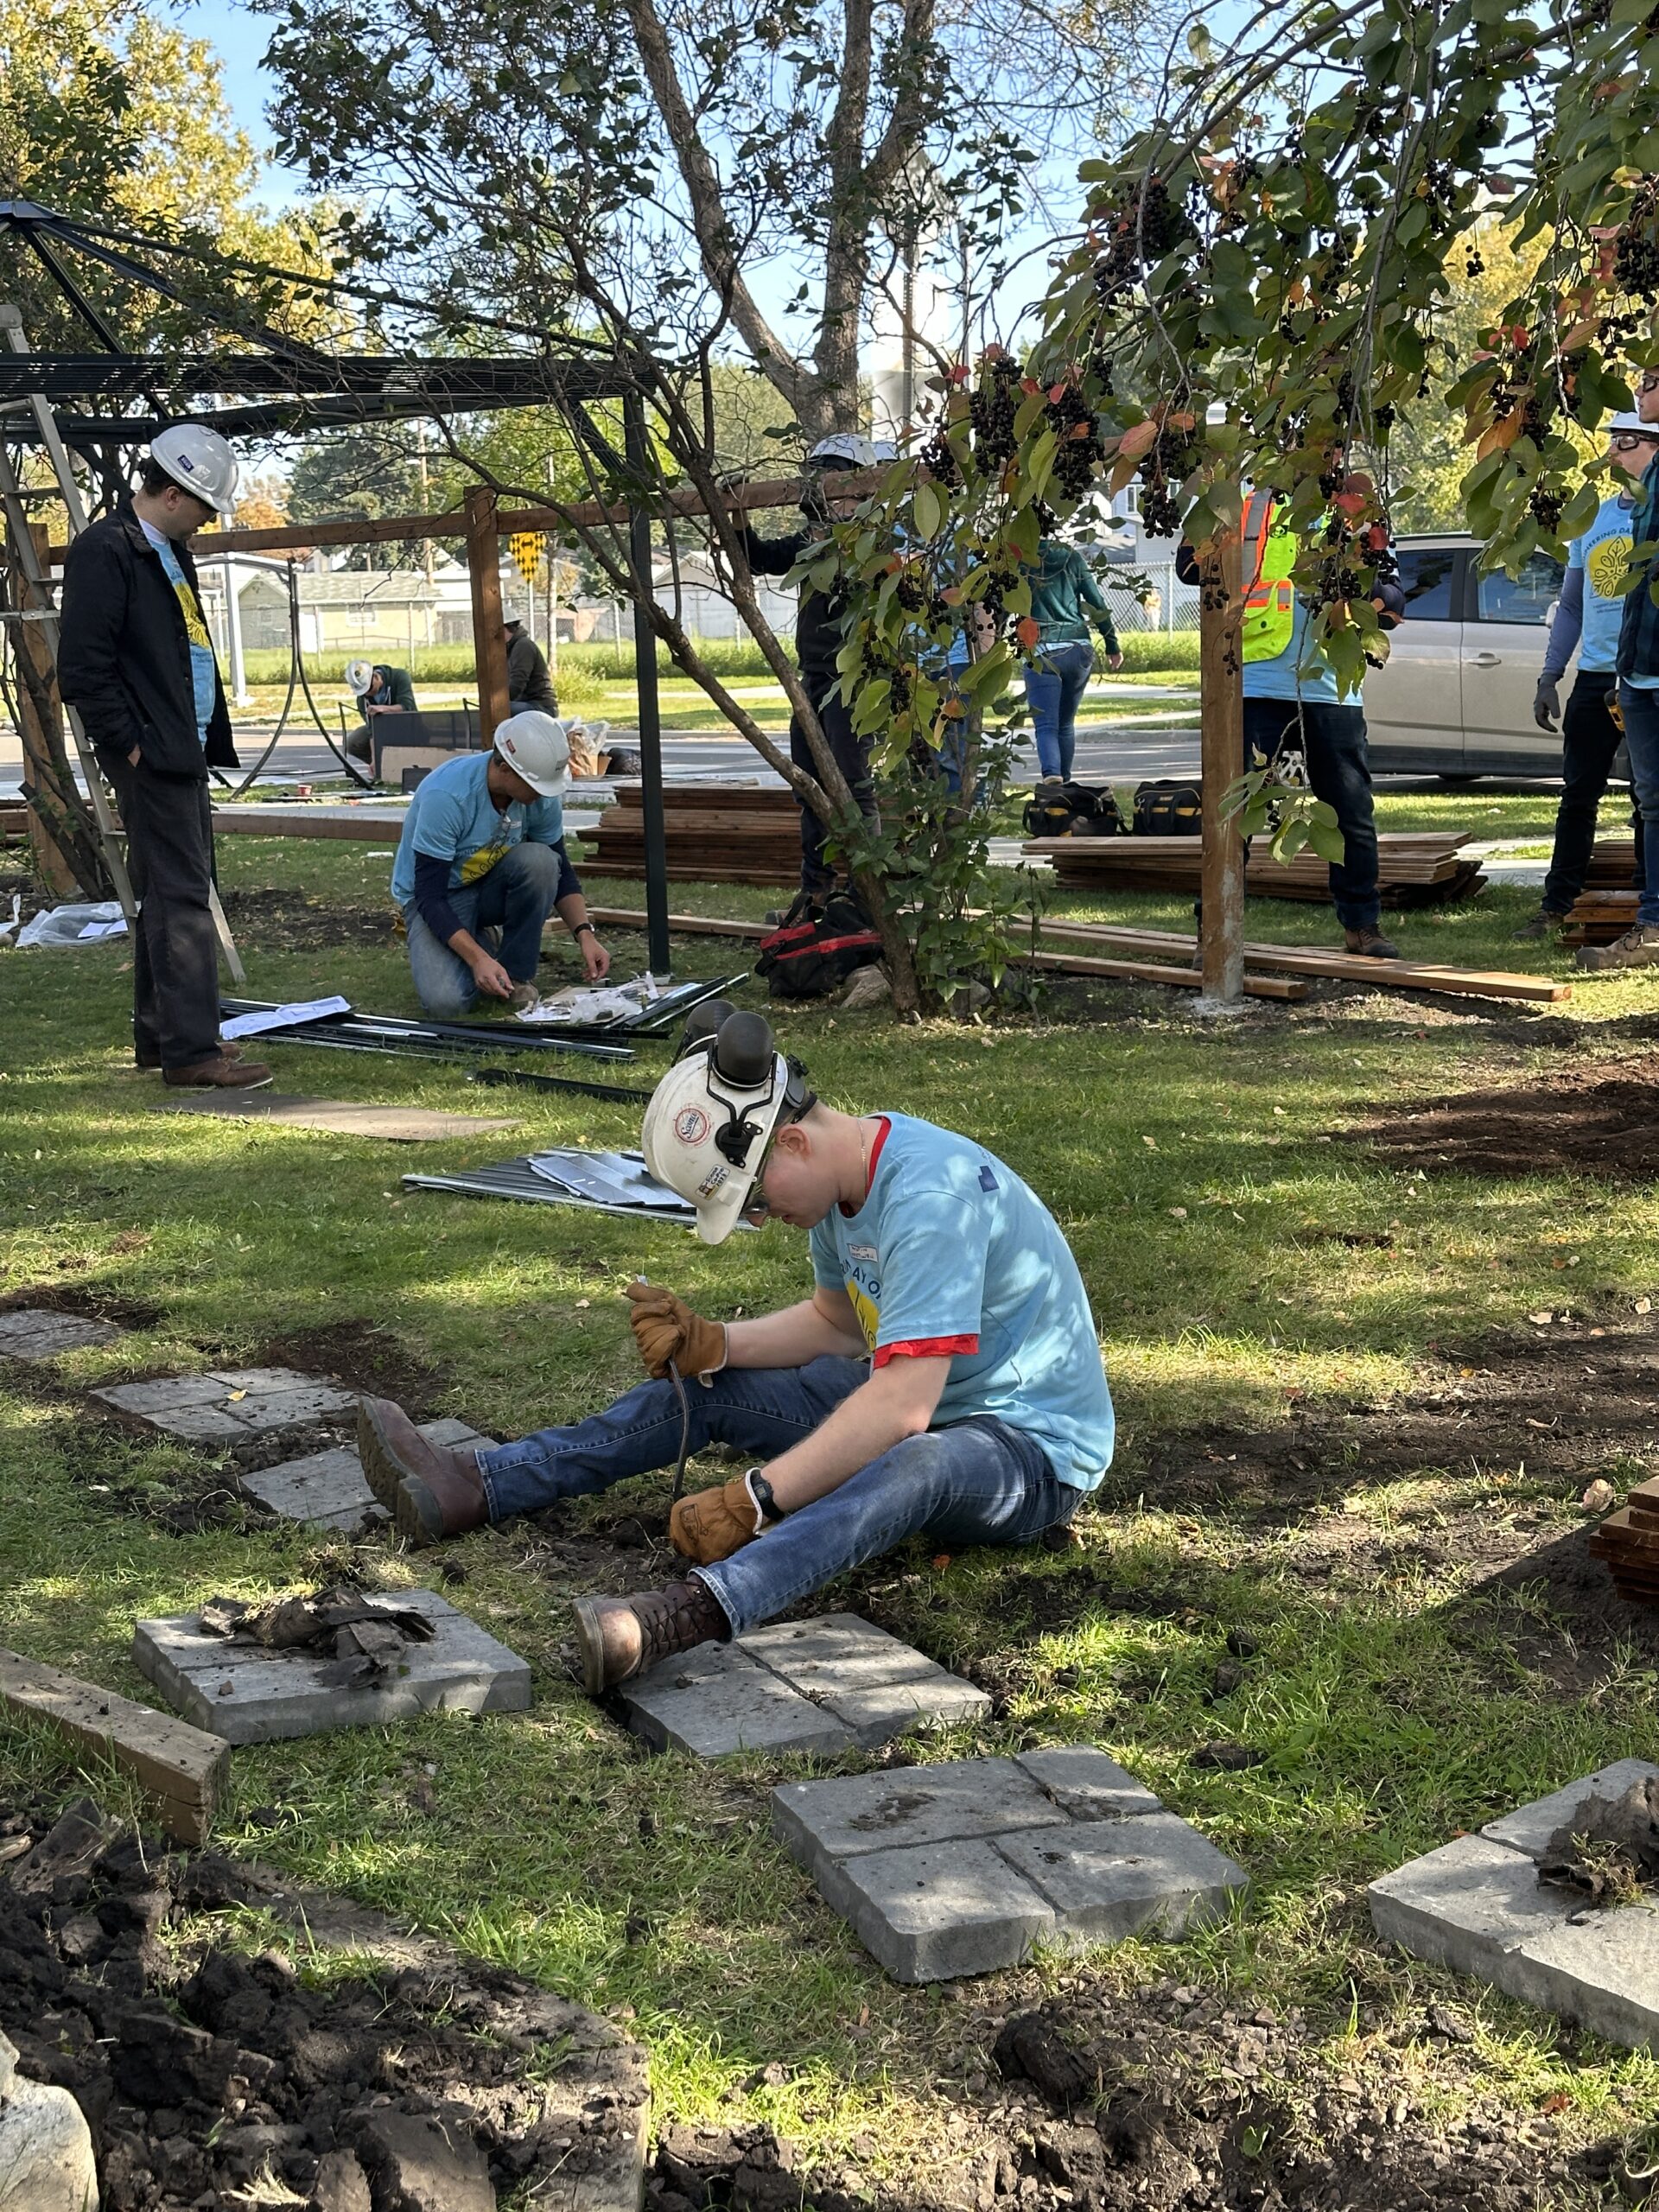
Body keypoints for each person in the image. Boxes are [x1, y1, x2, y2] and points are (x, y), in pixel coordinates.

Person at [355, 1005, 1115, 1694]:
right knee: (716, 1383)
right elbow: (838, 1322)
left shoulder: (929, 1198)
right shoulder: (844, 1188)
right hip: (934, 1405)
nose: (756, 1220)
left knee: (913, 1459)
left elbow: (903, 1407)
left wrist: (758, 1497)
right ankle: (480, 1484)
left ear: (788, 1138)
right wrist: (711, 1344)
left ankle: (688, 1613)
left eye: (752, 1199)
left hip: (1026, 1451)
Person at [58, 423, 271, 1090]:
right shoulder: (107, 550)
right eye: (206, 508)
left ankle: (163, 1037)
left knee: (163, 890)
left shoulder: (168, 551)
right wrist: (131, 741)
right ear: (174, 494)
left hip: (180, 744)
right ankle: (191, 1053)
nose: (208, 523)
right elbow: (84, 667)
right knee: (184, 896)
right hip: (152, 751)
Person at [1177, 491, 1405, 958]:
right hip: (1250, 680)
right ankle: (1214, 929)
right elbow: (1188, 569)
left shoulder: (1357, 512)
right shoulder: (1242, 506)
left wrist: (1363, 586)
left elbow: (1394, 600)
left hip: (1329, 684)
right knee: (1232, 813)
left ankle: (1362, 925)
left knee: (1352, 813)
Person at [1519, 414, 1659, 939]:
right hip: (1596, 680)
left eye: (1625, 442)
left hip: (1645, 677)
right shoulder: (1592, 519)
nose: (1614, 455)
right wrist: (1549, 675)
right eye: (1611, 443)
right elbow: (1573, 605)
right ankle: (1556, 906)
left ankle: (1649, 912)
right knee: (1579, 795)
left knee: (1649, 800)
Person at [389, 711, 610, 1015]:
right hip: (437, 898)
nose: (542, 794)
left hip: (489, 885)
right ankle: (479, 944)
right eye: (536, 785)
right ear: (504, 768)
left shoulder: (540, 795)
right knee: (447, 1003)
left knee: (542, 861)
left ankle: (516, 974)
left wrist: (585, 934)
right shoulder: (448, 796)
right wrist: (477, 958)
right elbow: (429, 896)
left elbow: (561, 871)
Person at [742, 436, 880, 898]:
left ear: (862, 491)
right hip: (813, 678)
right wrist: (737, 514)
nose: (824, 494)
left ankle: (869, 893)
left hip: (855, 678)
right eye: (819, 483)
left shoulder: (874, 542)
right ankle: (816, 890)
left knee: (853, 786)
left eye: (835, 483)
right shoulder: (810, 540)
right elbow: (758, 558)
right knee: (810, 788)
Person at [1586, 365, 1659, 969]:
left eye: (1625, 442)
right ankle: (1654, 927)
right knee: (1652, 802)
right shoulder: (1642, 491)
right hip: (1637, 672)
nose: (1613, 453)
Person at [1023, 516, 1124, 784]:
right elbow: (1096, 602)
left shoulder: (1022, 561)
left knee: (1046, 725)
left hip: (1041, 649)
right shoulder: (1072, 558)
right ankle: (1065, 783)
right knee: (1065, 724)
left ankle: (1052, 776)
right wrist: (1112, 645)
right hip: (1078, 648)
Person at [344, 660, 418, 763]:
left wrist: (384, 709)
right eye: (363, 693)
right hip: (382, 730)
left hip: (408, 726)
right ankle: (382, 767)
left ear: (376, 677)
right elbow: (371, 731)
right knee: (353, 742)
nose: (368, 694)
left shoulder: (399, 676)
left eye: (369, 688)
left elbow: (408, 707)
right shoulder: (362, 699)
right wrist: (374, 760)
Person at [503, 618, 559, 715]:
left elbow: (517, 684)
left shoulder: (523, 646)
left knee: (498, 711)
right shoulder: (512, 647)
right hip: (528, 703)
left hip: (540, 706)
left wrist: (498, 702)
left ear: (504, 628)